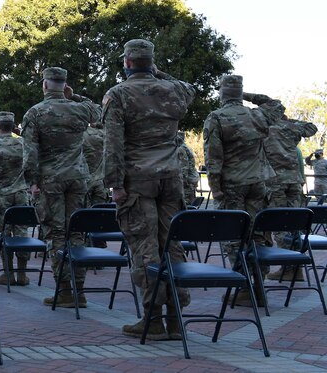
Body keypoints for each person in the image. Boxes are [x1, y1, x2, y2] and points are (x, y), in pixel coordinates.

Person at [103, 39, 195, 341]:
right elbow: (187, 87)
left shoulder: (118, 95)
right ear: (151, 62)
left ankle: (152, 320)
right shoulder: (174, 91)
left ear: (127, 63)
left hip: (137, 180)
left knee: (145, 248)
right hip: (171, 179)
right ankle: (176, 319)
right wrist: (158, 73)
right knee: (172, 246)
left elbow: (113, 143)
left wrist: (115, 184)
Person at [21, 67, 101, 308]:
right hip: (77, 178)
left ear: (45, 85)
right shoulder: (80, 109)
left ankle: (65, 290)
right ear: (65, 85)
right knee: (75, 232)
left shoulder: (35, 113)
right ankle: (80, 289)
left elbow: (30, 153)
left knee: (56, 233)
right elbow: (99, 112)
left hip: (50, 179)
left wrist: (31, 182)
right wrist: (75, 96)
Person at [203, 74, 285, 306]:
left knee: (232, 237)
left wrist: (214, 187)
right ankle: (259, 285)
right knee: (257, 235)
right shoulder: (257, 115)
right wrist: (245, 96)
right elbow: (276, 104)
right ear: (240, 93)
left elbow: (213, 156)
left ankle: (244, 287)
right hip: (259, 184)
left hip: (232, 185)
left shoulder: (216, 118)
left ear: (221, 93)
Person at [264, 115, 318, 281]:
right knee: (296, 225)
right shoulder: (293, 138)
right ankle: (296, 267)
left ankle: (288, 268)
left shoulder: (266, 131)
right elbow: (311, 127)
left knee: (281, 225)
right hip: (294, 182)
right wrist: (290, 123)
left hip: (276, 182)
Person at [0, 111, 30, 285]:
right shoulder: (23, 144)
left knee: (3, 234)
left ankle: (7, 273)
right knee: (22, 232)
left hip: (2, 195)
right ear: (13, 125)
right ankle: (22, 274)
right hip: (22, 193)